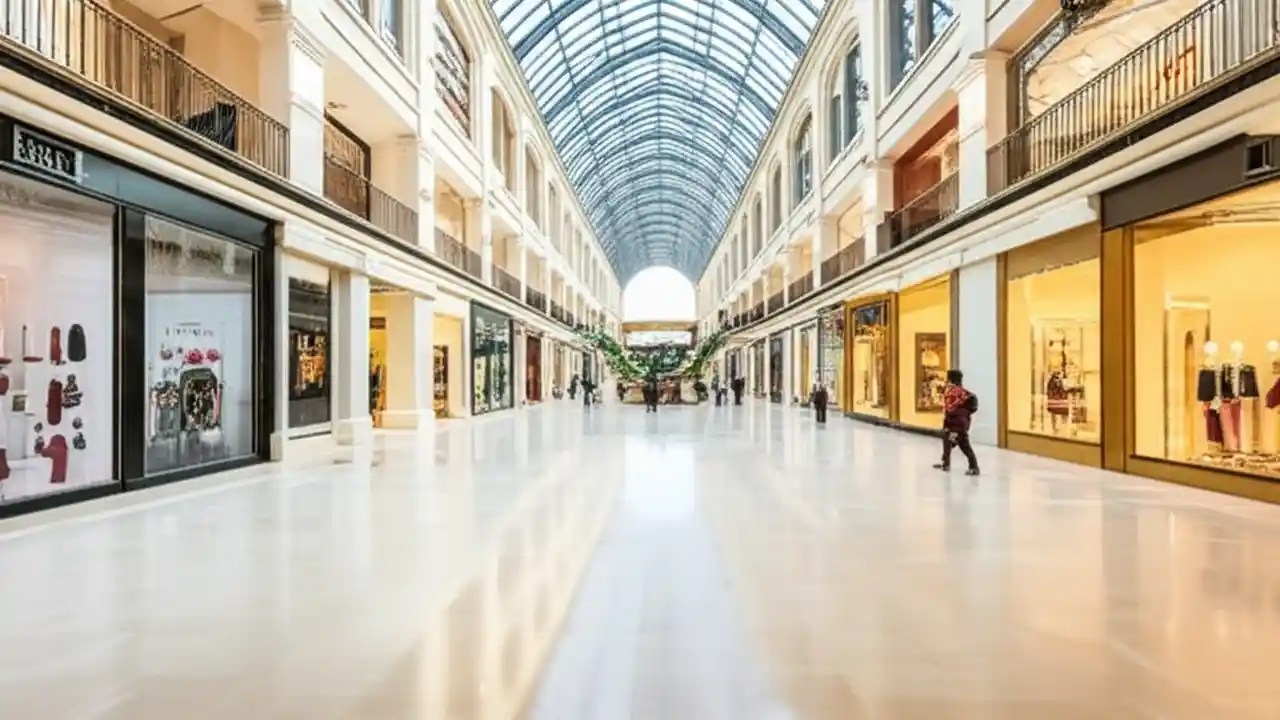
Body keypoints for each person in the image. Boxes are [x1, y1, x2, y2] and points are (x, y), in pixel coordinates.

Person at [933, 369, 980, 476]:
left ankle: (973, 467)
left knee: (962, 444)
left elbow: (950, 409)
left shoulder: (953, 392)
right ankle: (946, 463)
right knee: (949, 441)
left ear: (950, 378)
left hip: (955, 424)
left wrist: (948, 424)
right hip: (961, 423)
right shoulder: (963, 392)